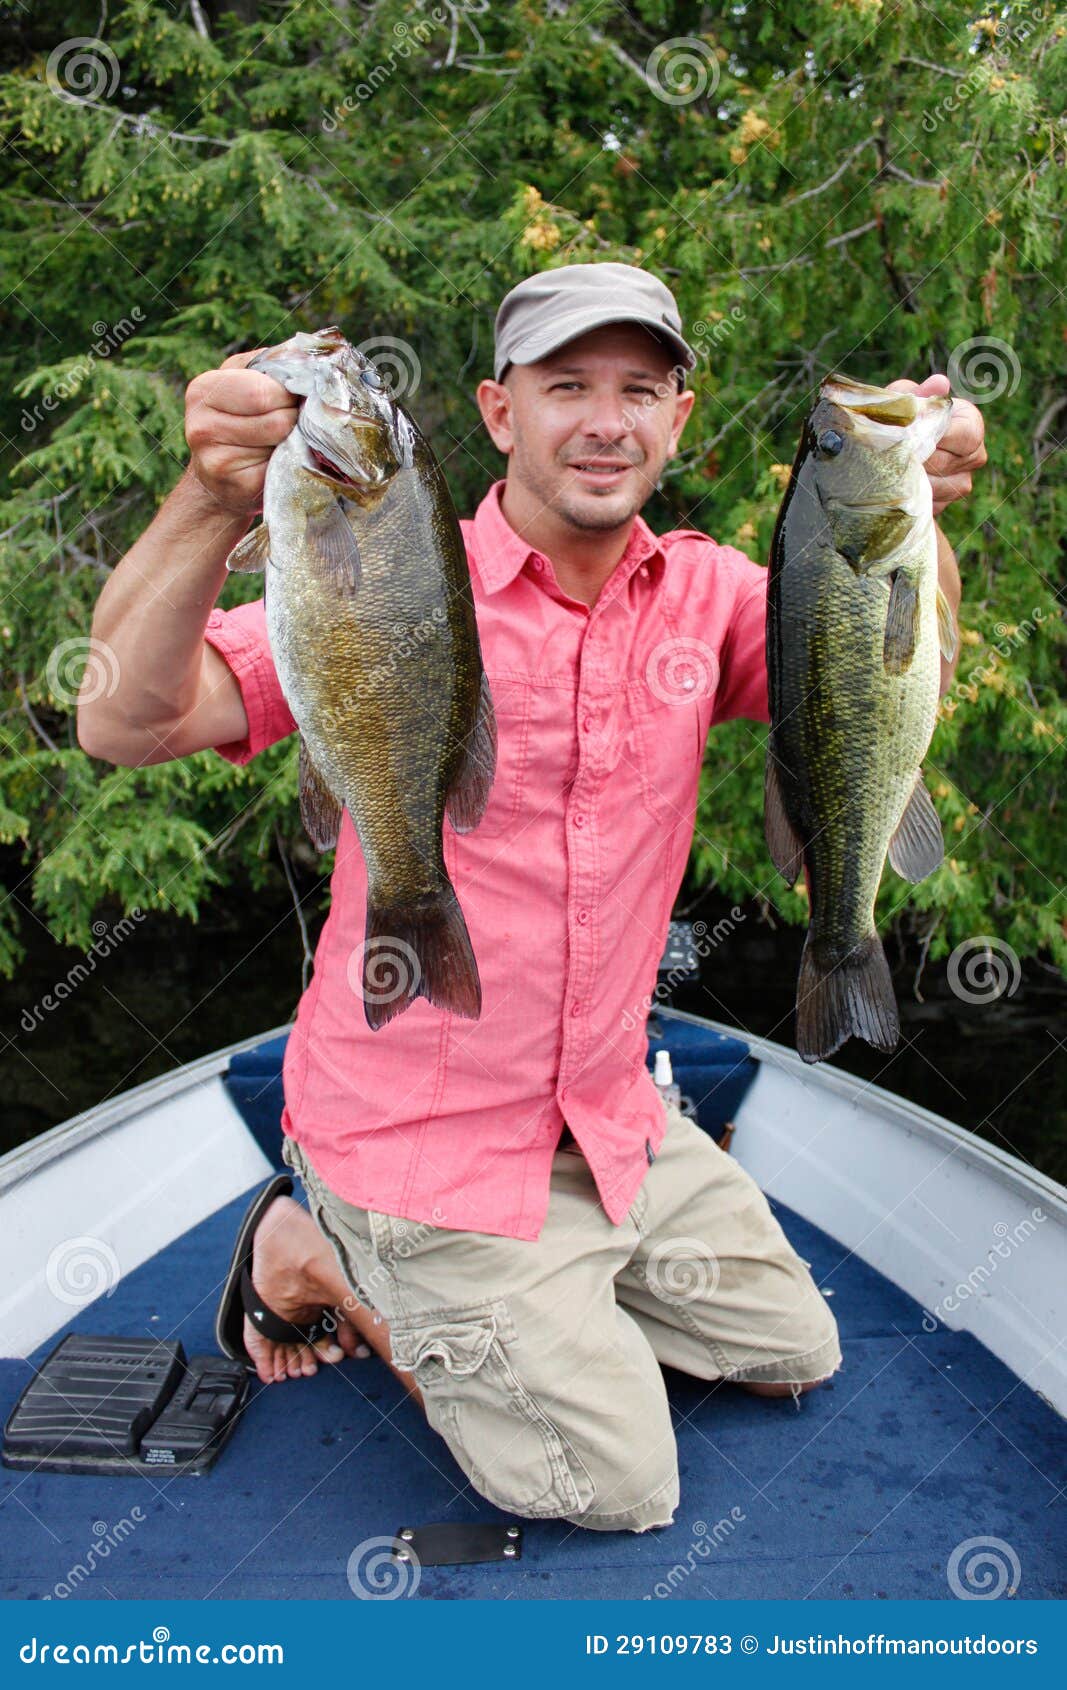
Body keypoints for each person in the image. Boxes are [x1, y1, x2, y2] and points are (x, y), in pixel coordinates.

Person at [78, 263, 987, 1533]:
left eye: (638, 390)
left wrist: (916, 505)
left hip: (605, 1114)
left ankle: (536, 1284)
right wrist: (210, 497)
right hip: (419, 1136)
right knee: (614, 1486)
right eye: (565, 386)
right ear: (499, 412)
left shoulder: (716, 594)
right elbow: (124, 721)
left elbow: (887, 665)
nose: (604, 422)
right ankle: (317, 1242)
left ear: (677, 418)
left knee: (794, 1350)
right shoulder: (386, 561)